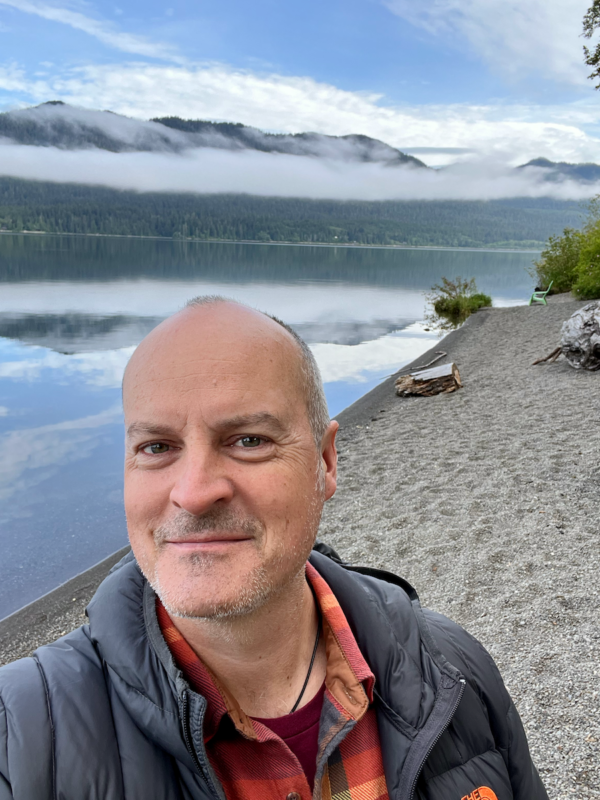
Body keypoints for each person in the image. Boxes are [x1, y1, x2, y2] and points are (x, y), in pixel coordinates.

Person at [0, 296, 547, 800]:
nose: (192, 493)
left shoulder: (454, 669)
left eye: (248, 440)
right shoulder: (21, 734)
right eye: (157, 446)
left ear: (326, 463)